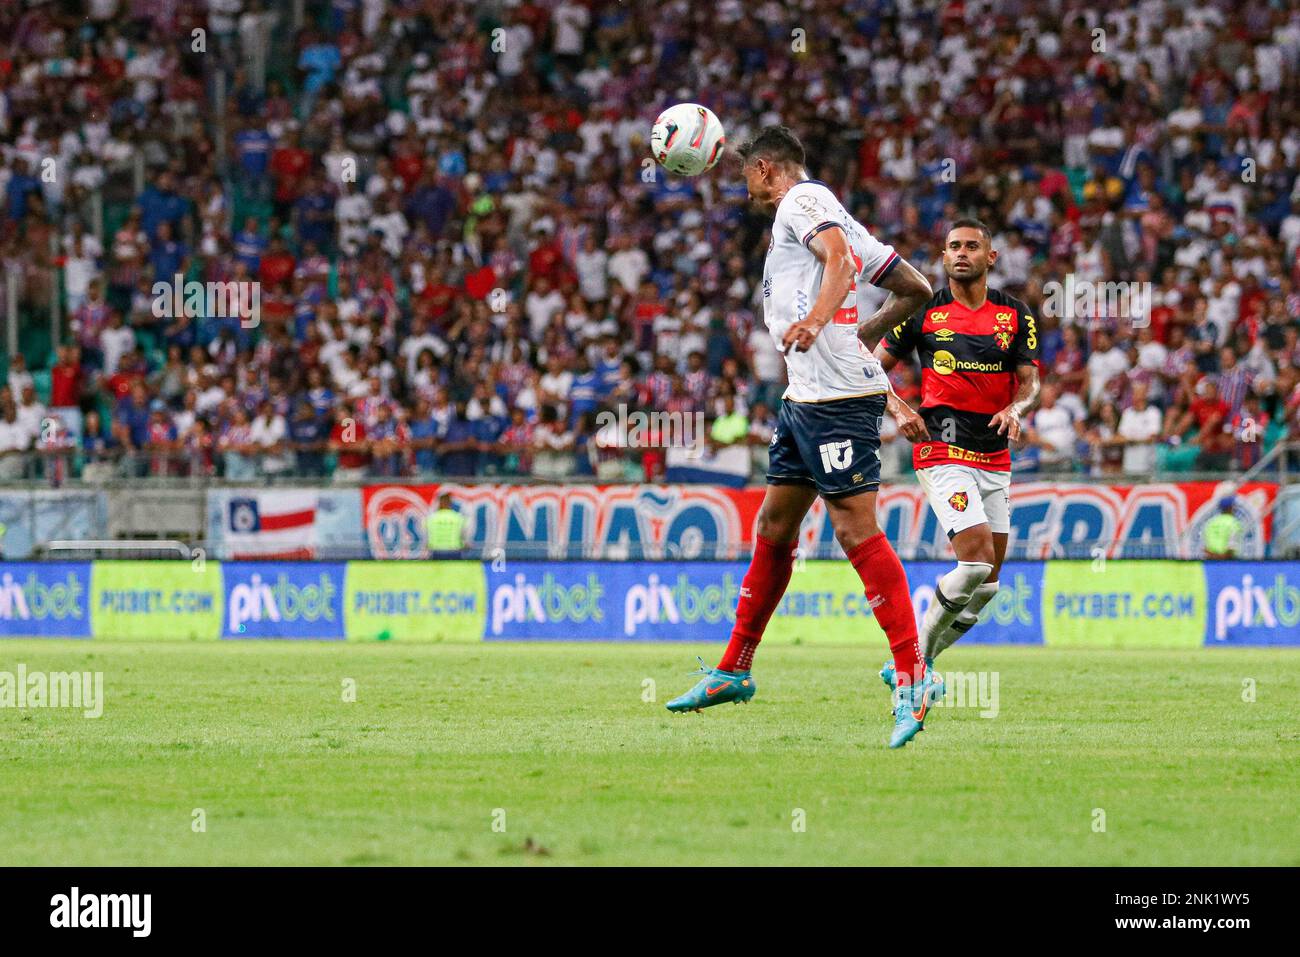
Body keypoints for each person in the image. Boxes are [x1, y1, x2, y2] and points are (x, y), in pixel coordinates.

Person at [663, 126, 936, 749]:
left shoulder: (801, 203)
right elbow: (915, 288)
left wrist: (821, 325)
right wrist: (857, 340)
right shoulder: (823, 207)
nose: (744, 185)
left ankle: (914, 676)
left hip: (838, 403)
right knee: (774, 529)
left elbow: (839, 262)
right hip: (804, 399)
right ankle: (734, 669)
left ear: (764, 169)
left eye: (744, 174)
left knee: (855, 532)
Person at [874, 219, 1040, 682]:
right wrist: (898, 408)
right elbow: (870, 365)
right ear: (944, 257)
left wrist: (1016, 407)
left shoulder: (1016, 314)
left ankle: (913, 663)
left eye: (972, 246)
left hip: (994, 455)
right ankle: (913, 665)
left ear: (991, 257)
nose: (961, 253)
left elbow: (1029, 382)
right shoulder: (921, 311)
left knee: (987, 586)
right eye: (953, 247)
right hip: (941, 448)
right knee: (974, 562)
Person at [425, 492, 467, 559]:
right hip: (454, 551)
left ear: (439, 503)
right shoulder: (458, 517)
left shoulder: (431, 518)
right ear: (450, 503)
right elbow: (464, 536)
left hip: (436, 551)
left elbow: (427, 536)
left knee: (437, 569)